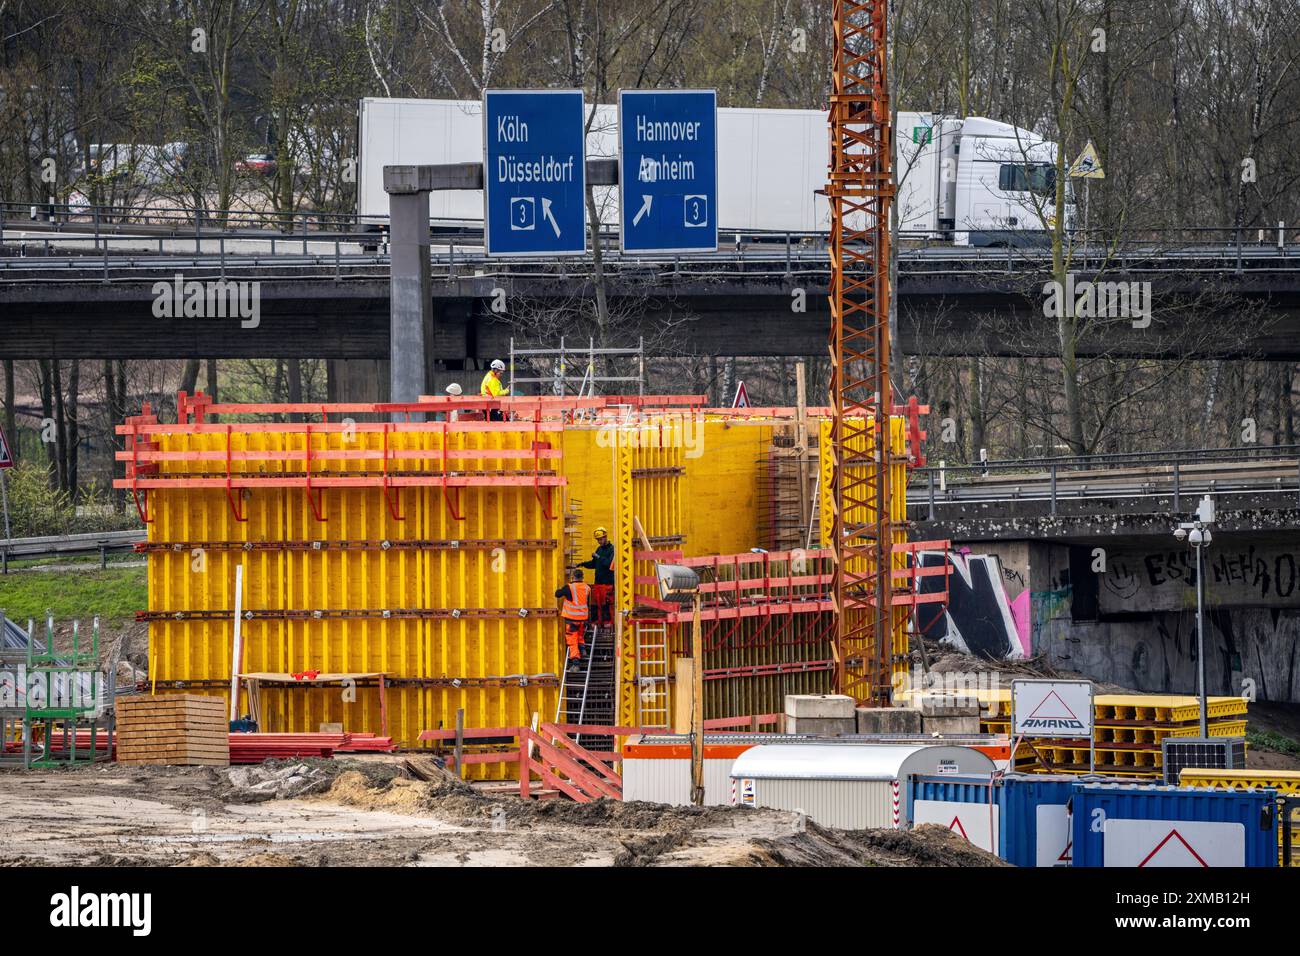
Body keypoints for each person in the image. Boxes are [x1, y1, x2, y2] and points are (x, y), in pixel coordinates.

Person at [579, 526, 615, 626]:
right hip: (598, 583)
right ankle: (599, 623)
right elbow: (594, 564)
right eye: (598, 539)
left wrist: (598, 557)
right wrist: (583, 564)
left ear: (606, 536)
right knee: (597, 604)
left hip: (607, 583)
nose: (599, 541)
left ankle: (608, 622)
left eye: (601, 539)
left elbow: (609, 564)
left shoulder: (612, 549)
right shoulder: (599, 549)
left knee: (606, 605)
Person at [555, 568, 590, 668]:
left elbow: (557, 594)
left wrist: (560, 588)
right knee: (580, 635)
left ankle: (575, 663)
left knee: (572, 640)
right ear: (582, 577)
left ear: (572, 577)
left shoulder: (569, 587)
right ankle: (583, 649)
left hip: (572, 619)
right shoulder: (587, 588)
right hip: (583, 618)